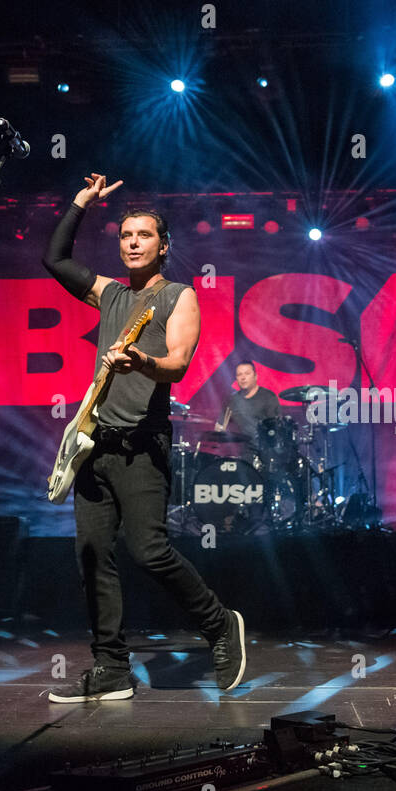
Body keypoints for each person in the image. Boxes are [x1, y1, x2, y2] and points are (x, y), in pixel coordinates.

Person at [41, 172, 246, 702]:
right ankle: (111, 668)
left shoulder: (179, 297)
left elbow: (176, 367)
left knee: (150, 551)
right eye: (126, 235)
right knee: (91, 554)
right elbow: (56, 261)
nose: (132, 242)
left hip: (142, 446)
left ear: (164, 245)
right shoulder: (109, 294)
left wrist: (141, 359)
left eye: (144, 235)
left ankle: (220, 624)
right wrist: (81, 201)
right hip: (95, 446)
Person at [216, 361, 282, 440]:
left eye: (247, 373)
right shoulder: (232, 399)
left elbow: (276, 428)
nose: (243, 378)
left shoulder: (268, 397)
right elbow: (219, 426)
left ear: (255, 376)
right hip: (239, 448)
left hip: (263, 449)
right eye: (239, 375)